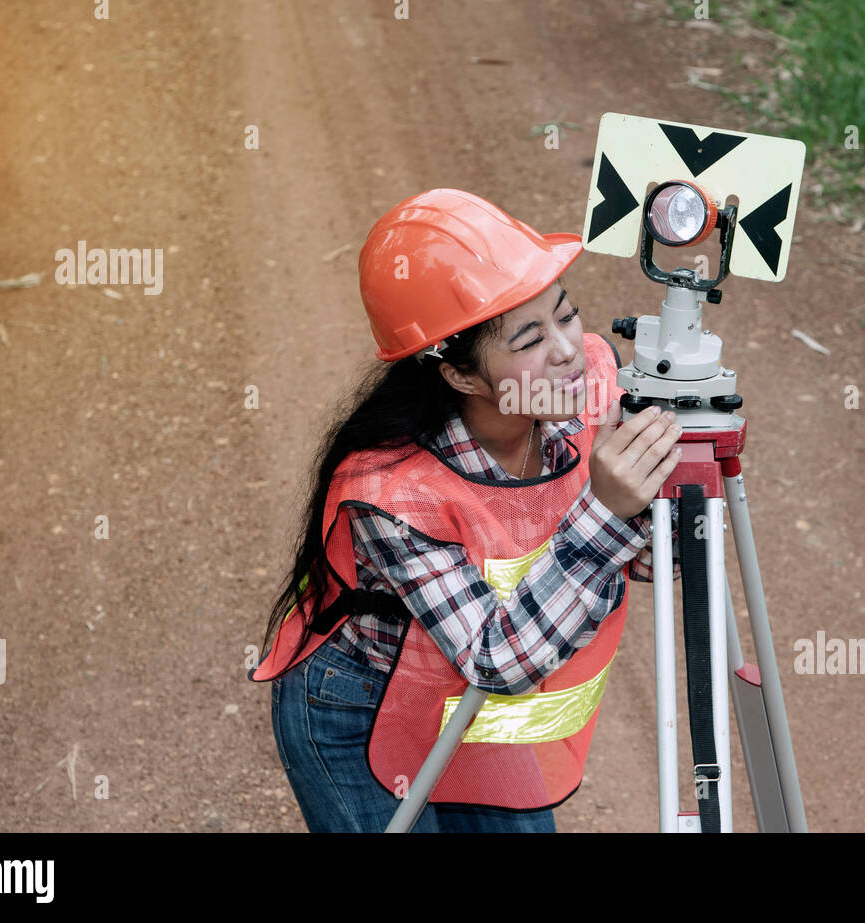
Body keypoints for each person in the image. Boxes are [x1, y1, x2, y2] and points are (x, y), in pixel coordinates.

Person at [251, 188, 682, 833]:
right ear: (459, 375)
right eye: (531, 338)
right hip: (361, 707)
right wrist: (606, 514)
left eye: (566, 316)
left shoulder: (586, 381)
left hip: (474, 707)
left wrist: (670, 482)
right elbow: (495, 661)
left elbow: (651, 560)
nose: (567, 349)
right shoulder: (392, 491)